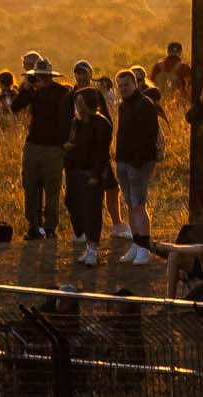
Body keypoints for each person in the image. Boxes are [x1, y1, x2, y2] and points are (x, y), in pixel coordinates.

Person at [14, 52, 72, 243]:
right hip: (33, 144)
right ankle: (33, 225)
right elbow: (15, 107)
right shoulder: (32, 91)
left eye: (43, 76)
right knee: (30, 186)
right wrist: (28, 90)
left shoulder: (62, 92)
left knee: (52, 188)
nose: (41, 79)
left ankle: (50, 227)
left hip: (54, 147)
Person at [66, 86, 119, 265]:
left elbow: (101, 152)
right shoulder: (76, 122)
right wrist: (69, 148)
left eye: (81, 103)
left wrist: (96, 175)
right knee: (74, 206)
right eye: (76, 102)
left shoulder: (101, 123)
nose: (78, 106)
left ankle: (92, 249)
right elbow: (73, 142)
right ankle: (87, 244)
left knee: (92, 211)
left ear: (89, 103)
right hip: (75, 172)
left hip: (92, 173)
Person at [118, 66, 168, 253]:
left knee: (139, 205)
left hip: (139, 162)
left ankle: (144, 247)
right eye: (120, 85)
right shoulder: (123, 106)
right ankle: (136, 241)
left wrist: (137, 160)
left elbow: (149, 135)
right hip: (123, 161)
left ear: (135, 84)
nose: (123, 88)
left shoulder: (145, 104)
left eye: (126, 84)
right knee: (130, 204)